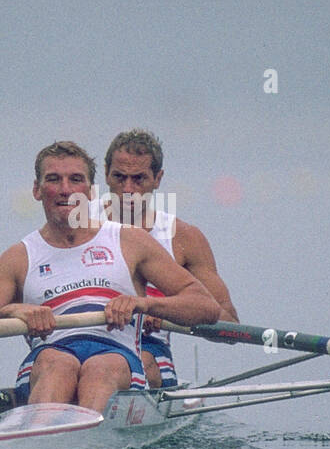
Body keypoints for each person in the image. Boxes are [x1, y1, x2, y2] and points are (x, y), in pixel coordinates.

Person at [0, 141, 220, 412]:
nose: (65, 190)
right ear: (37, 190)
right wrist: (11, 312)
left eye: (75, 180)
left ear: (90, 191)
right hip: (49, 358)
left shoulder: (129, 241)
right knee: (58, 365)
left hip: (116, 359)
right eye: (53, 179)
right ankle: (44, 438)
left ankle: (61, 437)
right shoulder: (16, 258)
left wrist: (144, 305)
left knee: (101, 368)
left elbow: (207, 308)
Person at [96, 130, 239, 389]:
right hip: (83, 340)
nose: (127, 189)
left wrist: (166, 315)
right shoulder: (79, 226)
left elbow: (229, 325)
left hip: (149, 351)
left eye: (139, 179)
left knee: (135, 366)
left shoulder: (183, 238)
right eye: (119, 177)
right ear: (106, 173)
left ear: (158, 179)